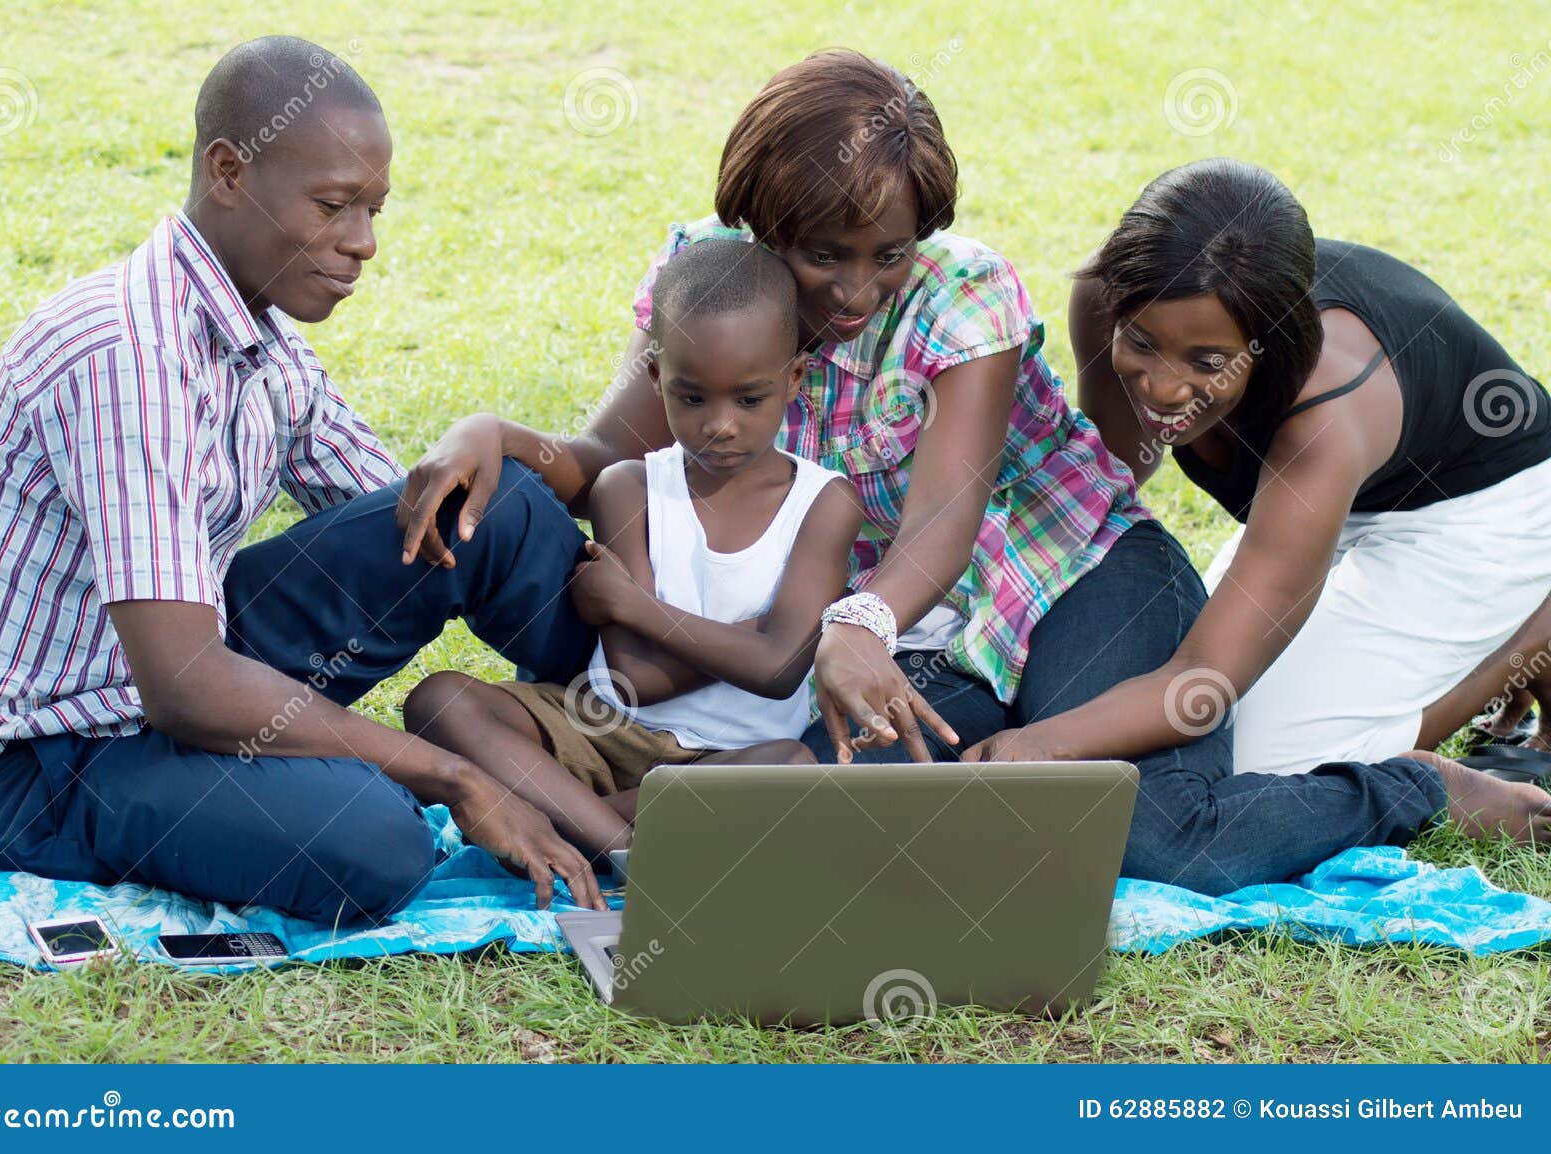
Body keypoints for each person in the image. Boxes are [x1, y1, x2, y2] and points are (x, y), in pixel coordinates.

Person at [395, 50, 1548, 895]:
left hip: (1069, 572)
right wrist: (492, 431)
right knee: (874, 805)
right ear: (756, 219)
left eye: (885, 253)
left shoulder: (963, 295)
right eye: (820, 254)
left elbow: (945, 522)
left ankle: (1416, 788)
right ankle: (635, 826)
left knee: (1148, 835)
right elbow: (610, 451)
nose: (854, 289)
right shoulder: (709, 276)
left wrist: (873, 627)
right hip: (916, 632)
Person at [0, 36, 608, 921]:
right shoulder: (124, 356)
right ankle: (400, 787)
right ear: (228, 171)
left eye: (373, 208)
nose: (364, 243)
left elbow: (408, 526)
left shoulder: (265, 344)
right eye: (334, 205)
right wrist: (451, 773)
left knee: (495, 508)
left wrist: (483, 442)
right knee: (379, 844)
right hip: (55, 755)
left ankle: (637, 740)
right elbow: (183, 686)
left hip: (180, 660)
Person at [1005, 157, 1551, 778]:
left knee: (1265, 760)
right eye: (1143, 344)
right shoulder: (1116, 296)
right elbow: (1099, 492)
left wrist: (1037, 747)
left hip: (1477, 507)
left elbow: (1203, 682)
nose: (1161, 388)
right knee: (1152, 705)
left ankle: (1529, 642)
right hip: (1325, 496)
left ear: (1271, 347)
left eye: (1208, 362)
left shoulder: (1329, 411)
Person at [402, 240, 862, 857]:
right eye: (691, 397)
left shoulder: (825, 503)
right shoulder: (630, 487)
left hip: (725, 761)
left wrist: (633, 606)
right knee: (441, 700)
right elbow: (636, 680)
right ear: (656, 378)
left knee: (791, 768)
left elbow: (779, 676)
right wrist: (763, 639)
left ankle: (561, 826)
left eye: (750, 399)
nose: (720, 424)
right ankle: (617, 841)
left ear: (794, 378)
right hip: (600, 733)